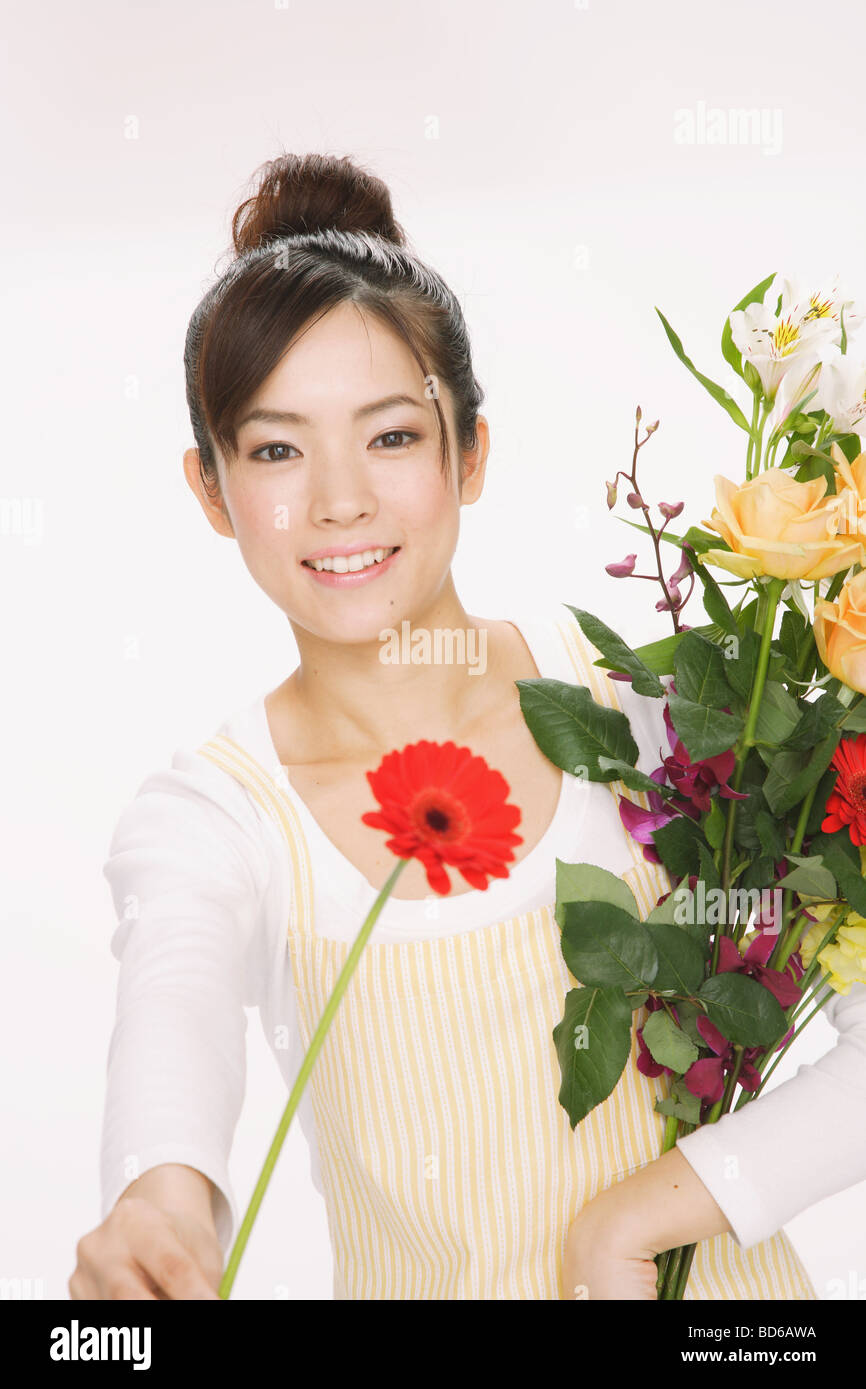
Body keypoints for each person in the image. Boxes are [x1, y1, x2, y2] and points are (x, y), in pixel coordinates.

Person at [70, 152, 866, 1301]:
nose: (339, 497)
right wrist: (159, 1203)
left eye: (390, 435)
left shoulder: (646, 710)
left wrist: (642, 1215)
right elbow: (173, 1012)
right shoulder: (216, 819)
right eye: (277, 448)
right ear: (210, 488)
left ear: (470, 453)